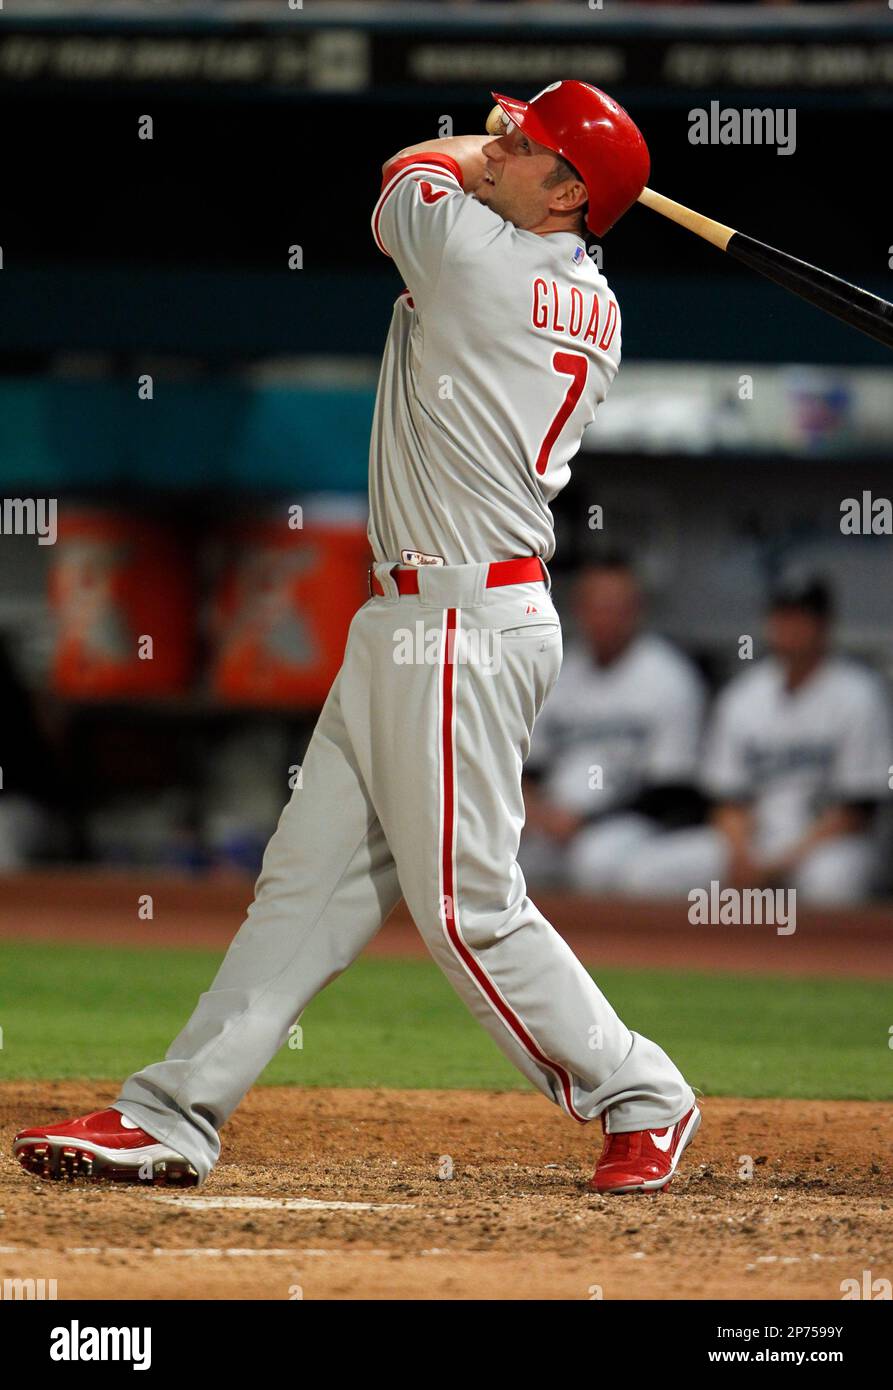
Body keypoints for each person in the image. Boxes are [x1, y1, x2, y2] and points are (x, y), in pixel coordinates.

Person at [15, 82, 698, 1197]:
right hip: (426, 615)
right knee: (308, 884)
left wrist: (499, 156)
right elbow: (480, 181)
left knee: (466, 904)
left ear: (569, 192)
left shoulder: (480, 263)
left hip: (457, 625)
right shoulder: (586, 295)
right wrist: (545, 163)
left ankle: (643, 1095)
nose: (498, 148)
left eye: (526, 145)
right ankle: (173, 1112)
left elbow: (402, 166)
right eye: (507, 133)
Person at [624, 574, 892, 904]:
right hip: (755, 841)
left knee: (831, 882)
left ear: (824, 625)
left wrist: (777, 866)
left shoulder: (859, 695)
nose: (791, 628)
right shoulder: (744, 696)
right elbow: (727, 799)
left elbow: (856, 811)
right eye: (784, 616)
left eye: (802, 618)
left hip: (824, 846)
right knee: (647, 872)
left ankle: (821, 958)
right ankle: (709, 955)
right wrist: (741, 856)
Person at [521, 555, 706, 891]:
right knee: (496, 857)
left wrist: (585, 821)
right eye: (597, 606)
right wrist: (540, 813)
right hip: (553, 818)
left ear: (637, 610)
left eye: (617, 607)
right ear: (579, 609)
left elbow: (671, 793)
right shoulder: (555, 670)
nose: (605, 618)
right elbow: (528, 770)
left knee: (595, 861)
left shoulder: (670, 678)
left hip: (631, 820)